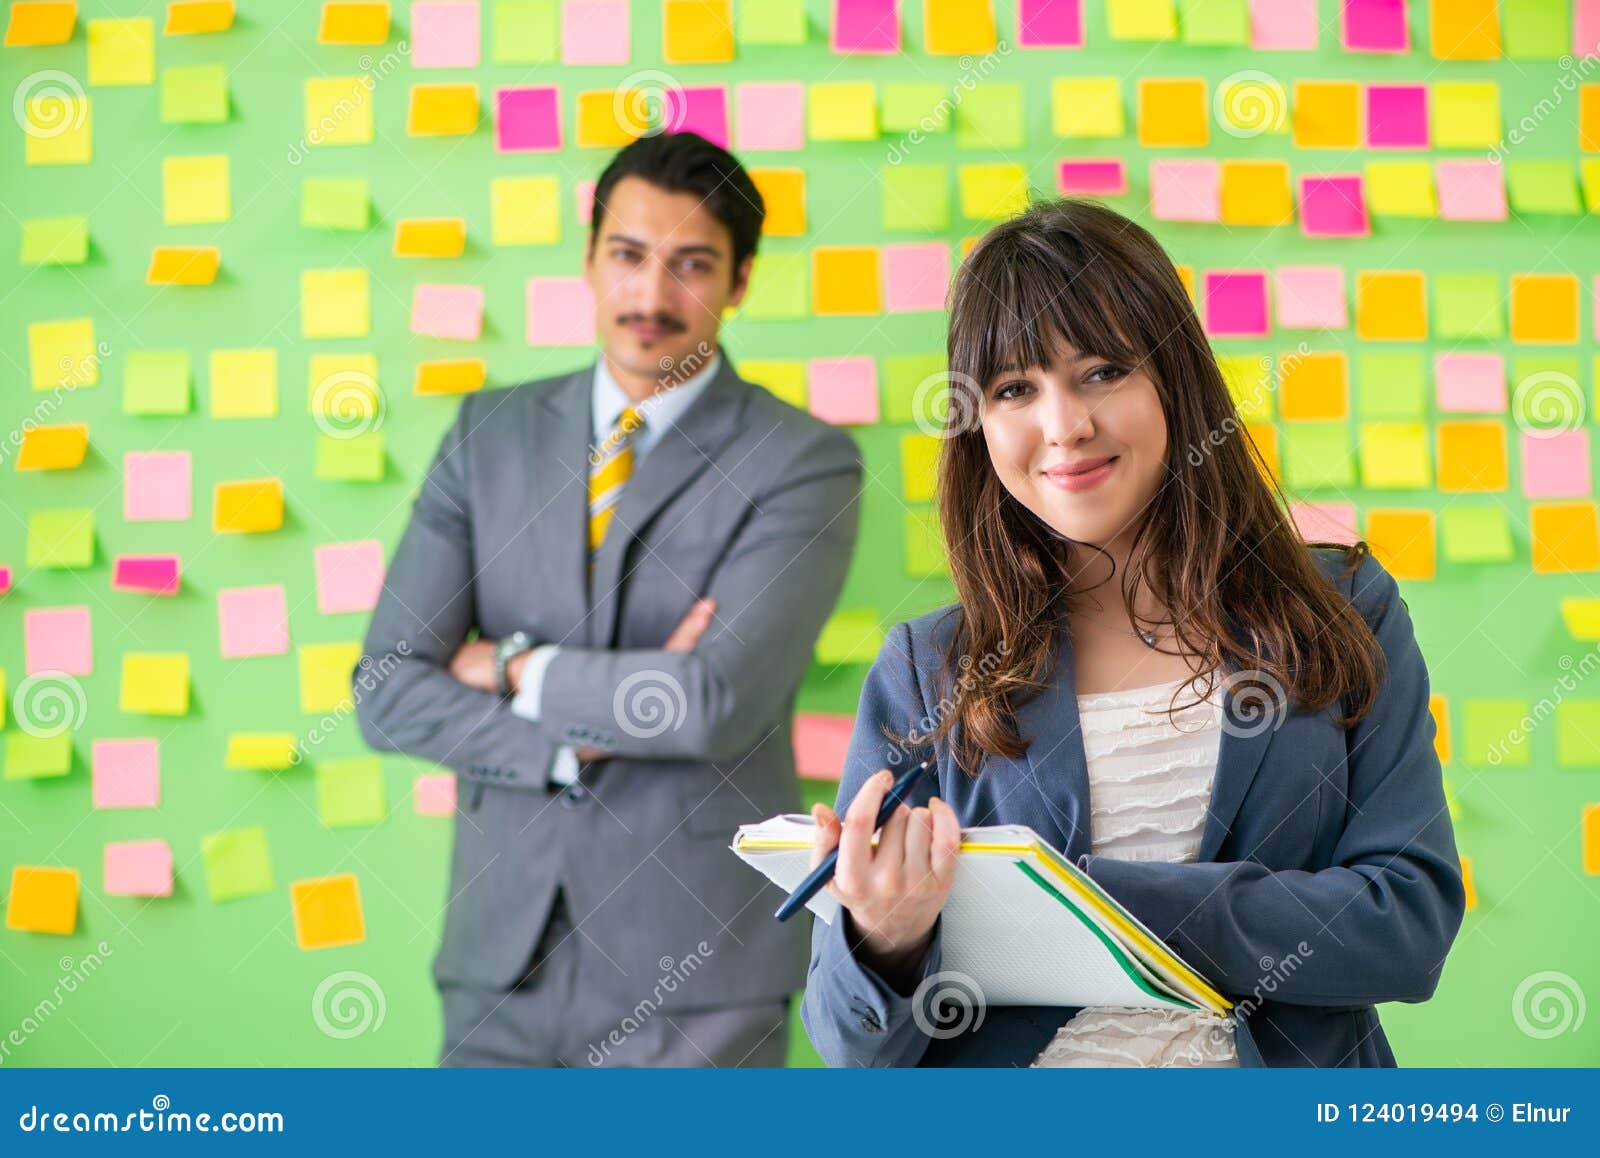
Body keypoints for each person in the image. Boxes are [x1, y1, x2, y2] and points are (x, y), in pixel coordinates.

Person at [799, 197, 1466, 1067]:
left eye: (1103, 371)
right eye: (1014, 390)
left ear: (1175, 380)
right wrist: (884, 938)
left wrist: (1076, 904)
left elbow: (1404, 927)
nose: (1064, 425)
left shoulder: (1341, 607)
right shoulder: (931, 670)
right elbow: (848, 1044)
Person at [356, 131, 863, 1066]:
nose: (651, 297)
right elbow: (385, 687)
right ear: (589, 258)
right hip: (497, 960)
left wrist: (511, 666)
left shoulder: (804, 461)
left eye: (692, 265)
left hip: (699, 970)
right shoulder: (488, 433)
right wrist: (560, 746)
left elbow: (712, 702)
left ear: (742, 280)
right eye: (628, 256)